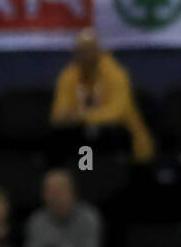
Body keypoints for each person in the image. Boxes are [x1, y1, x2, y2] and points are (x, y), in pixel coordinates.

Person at [50, 28, 154, 164]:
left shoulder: (116, 73)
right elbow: (58, 116)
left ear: (99, 51)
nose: (86, 56)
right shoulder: (69, 76)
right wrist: (69, 117)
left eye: (90, 50)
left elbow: (118, 112)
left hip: (125, 144)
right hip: (83, 146)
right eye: (81, 52)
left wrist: (83, 117)